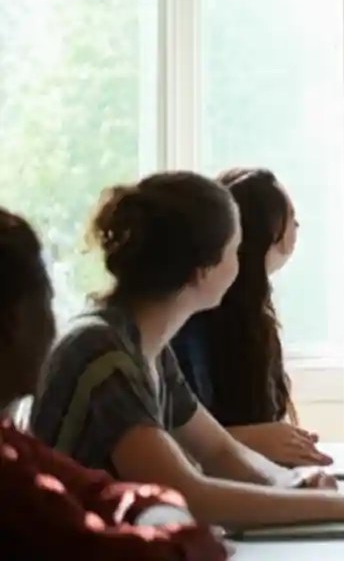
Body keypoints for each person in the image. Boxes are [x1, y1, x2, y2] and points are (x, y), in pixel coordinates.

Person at [29, 171, 344, 529]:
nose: (241, 262)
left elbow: (219, 450)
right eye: (235, 251)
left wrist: (293, 482)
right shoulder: (101, 352)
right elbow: (188, 495)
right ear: (202, 269)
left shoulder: (147, 344)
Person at [0, 205, 226, 559]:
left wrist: (160, 514)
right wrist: (186, 536)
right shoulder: (100, 349)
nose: (53, 327)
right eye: (47, 303)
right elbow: (112, 551)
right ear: (15, 320)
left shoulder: (10, 440)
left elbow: (95, 491)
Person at [171, 168, 330, 468]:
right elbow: (175, 445)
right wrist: (255, 440)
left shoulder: (253, 321)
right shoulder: (185, 327)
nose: (296, 226)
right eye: (289, 216)